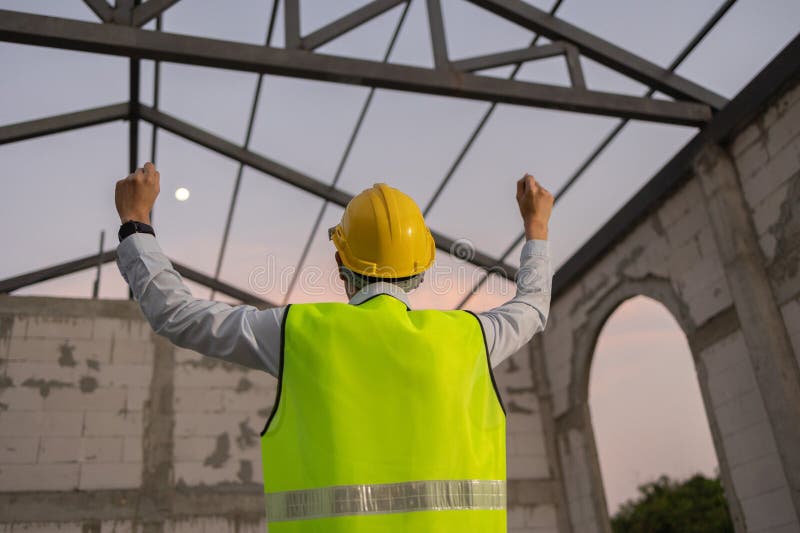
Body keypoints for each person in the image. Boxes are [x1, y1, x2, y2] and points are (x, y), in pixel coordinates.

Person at [115, 162, 554, 532]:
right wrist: (536, 228)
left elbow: (177, 314)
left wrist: (136, 223)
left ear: (341, 263)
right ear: (421, 268)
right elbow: (532, 307)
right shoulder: (470, 338)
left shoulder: (298, 333)